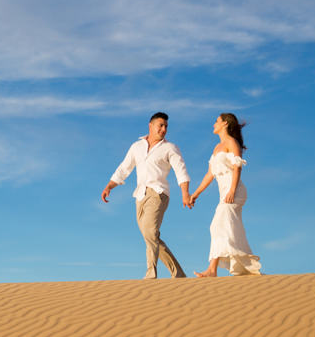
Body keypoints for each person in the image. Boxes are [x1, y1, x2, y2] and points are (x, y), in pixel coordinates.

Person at [102, 112, 192, 279]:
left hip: (158, 194)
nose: (164, 129)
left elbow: (181, 171)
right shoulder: (137, 146)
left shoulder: (170, 148)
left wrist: (185, 193)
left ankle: (151, 273)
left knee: (150, 232)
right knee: (151, 236)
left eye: (166, 126)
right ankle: (178, 273)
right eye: (160, 125)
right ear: (150, 126)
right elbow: (124, 168)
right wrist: (110, 186)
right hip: (140, 196)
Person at [188, 113, 262, 277]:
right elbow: (210, 174)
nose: (214, 124)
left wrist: (232, 190)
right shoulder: (217, 147)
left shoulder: (232, 143)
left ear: (225, 124)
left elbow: (237, 167)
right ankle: (220, 268)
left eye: (217, 121)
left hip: (234, 191)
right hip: (225, 193)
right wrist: (196, 194)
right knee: (222, 227)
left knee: (217, 225)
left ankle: (212, 270)